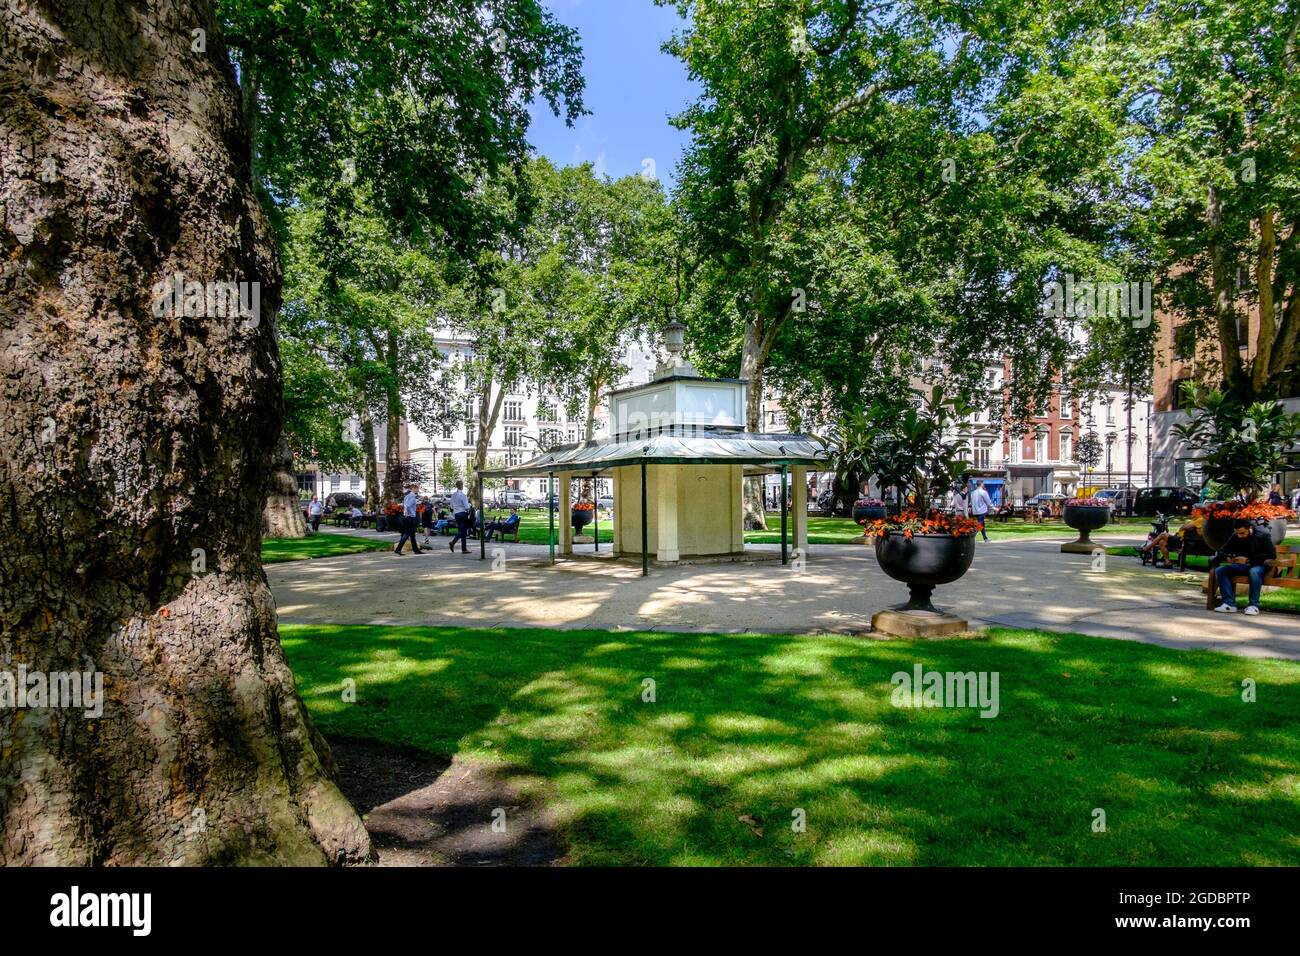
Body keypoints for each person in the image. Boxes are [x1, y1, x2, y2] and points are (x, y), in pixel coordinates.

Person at [1211, 520, 1276, 616]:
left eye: (1242, 533)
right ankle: (1229, 604)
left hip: (1260, 565)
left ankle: (1253, 606)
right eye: (1237, 533)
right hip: (1242, 566)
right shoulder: (1236, 536)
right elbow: (1222, 550)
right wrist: (1227, 557)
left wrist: (1248, 560)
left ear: (1249, 528)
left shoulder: (1263, 535)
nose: (1240, 536)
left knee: (1253, 571)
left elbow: (1271, 555)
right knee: (1221, 570)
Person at [394, 484, 423, 555]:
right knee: (407, 534)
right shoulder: (412, 496)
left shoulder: (407, 496)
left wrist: (406, 512)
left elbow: (405, 504)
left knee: (412, 534)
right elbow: (409, 505)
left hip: (407, 517)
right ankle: (398, 549)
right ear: (413, 488)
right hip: (410, 517)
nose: (418, 490)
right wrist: (408, 512)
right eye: (417, 488)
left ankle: (415, 550)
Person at [449, 480, 471, 553]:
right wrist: (470, 506)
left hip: (456, 514)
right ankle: (453, 542)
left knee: (462, 531)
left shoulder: (453, 495)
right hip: (462, 514)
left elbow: (451, 506)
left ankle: (464, 549)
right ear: (462, 486)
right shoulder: (463, 495)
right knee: (463, 531)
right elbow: (467, 506)